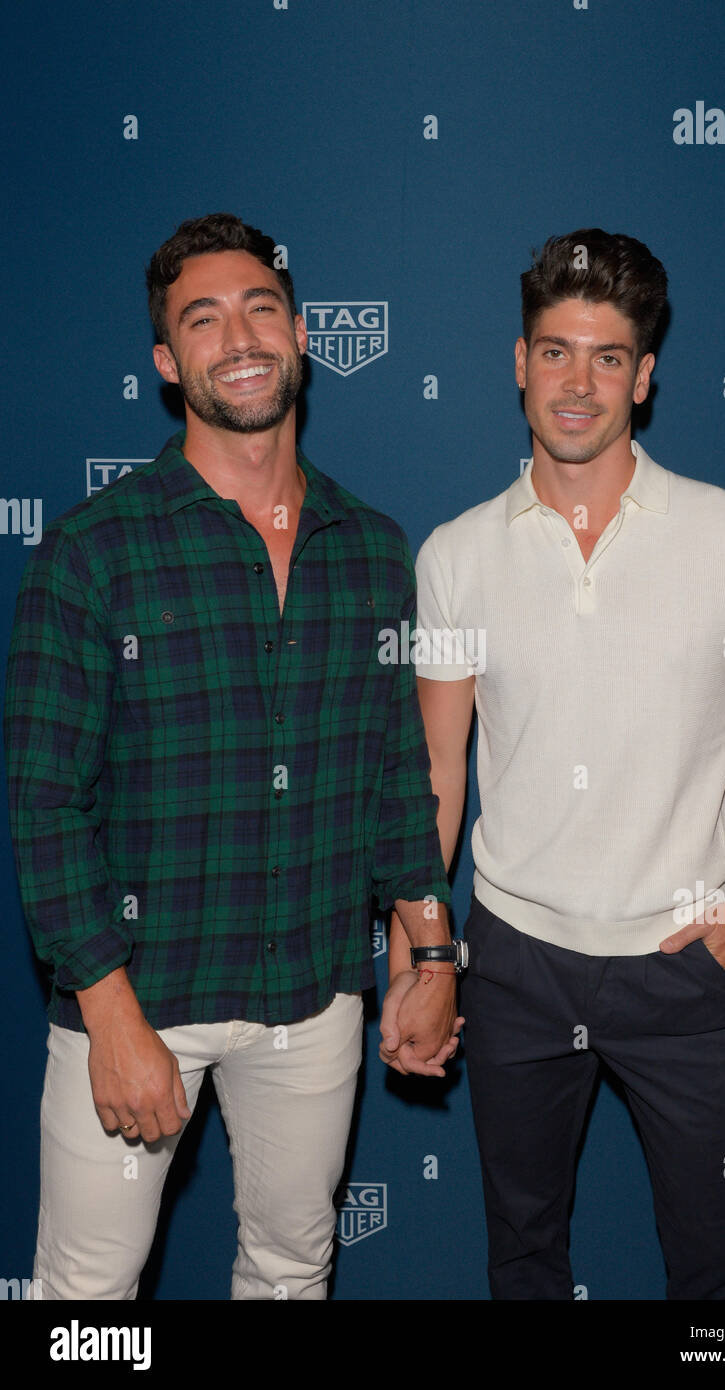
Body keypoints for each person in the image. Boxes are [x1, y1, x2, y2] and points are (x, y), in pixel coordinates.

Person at [381, 228, 725, 1300]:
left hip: (683, 966)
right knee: (524, 1258)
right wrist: (421, 956)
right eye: (555, 352)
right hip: (514, 959)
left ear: (643, 377)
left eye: (606, 358)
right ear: (519, 362)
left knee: (714, 1275)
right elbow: (438, 773)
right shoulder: (456, 555)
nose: (577, 383)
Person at [5, 212, 460, 1301]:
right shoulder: (92, 550)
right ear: (168, 362)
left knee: (291, 1270)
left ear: (299, 335)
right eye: (202, 319)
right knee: (86, 1294)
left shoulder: (372, 549)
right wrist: (110, 1016)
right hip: (139, 995)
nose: (239, 336)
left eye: (260, 308)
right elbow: (44, 806)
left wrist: (435, 955)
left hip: (314, 995)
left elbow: (397, 781)